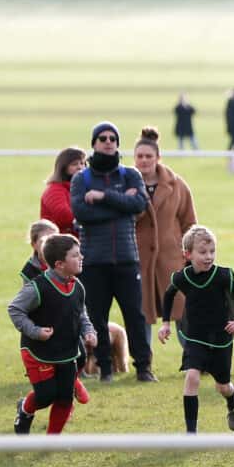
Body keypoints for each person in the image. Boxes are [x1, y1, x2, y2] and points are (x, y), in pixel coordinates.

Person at [70, 122, 156, 382]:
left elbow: (139, 204)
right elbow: (82, 213)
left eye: (113, 138)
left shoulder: (130, 175)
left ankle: (144, 367)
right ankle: (105, 368)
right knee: (97, 317)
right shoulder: (81, 179)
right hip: (94, 260)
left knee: (135, 316)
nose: (108, 142)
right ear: (94, 143)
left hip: (127, 259)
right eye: (102, 138)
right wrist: (121, 203)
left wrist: (103, 196)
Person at [157, 225, 234, 434]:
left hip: (221, 339)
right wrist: (165, 323)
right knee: (192, 377)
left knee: (222, 386)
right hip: (195, 337)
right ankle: (191, 433)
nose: (209, 257)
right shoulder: (182, 278)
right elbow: (169, 295)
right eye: (203, 252)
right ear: (187, 254)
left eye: (212, 252)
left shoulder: (223, 276)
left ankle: (233, 400)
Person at [10, 234, 96, 435]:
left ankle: (52, 440)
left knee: (65, 398)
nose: (81, 257)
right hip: (37, 351)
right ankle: (25, 409)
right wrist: (35, 331)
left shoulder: (78, 286)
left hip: (67, 352)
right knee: (46, 396)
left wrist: (89, 331)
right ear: (59, 264)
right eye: (75, 255)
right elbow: (15, 309)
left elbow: (81, 314)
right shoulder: (37, 288)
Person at [132, 127, 199, 351]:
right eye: (139, 156)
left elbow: (189, 222)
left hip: (172, 258)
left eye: (148, 156)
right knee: (141, 311)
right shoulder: (125, 185)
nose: (144, 161)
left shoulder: (177, 185)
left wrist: (190, 255)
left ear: (158, 157)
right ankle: (144, 363)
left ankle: (193, 357)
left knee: (182, 310)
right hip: (138, 256)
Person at [19, 220, 91, 408]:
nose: (49, 242)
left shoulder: (68, 266)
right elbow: (23, 305)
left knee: (81, 356)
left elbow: (78, 304)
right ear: (35, 244)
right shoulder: (32, 271)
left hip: (66, 325)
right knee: (49, 391)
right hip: (46, 327)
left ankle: (72, 382)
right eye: (44, 239)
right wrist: (35, 329)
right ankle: (65, 387)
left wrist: (87, 329)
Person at [40, 147, 86, 234]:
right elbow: (63, 215)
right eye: (74, 164)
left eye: (82, 163)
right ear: (63, 167)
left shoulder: (84, 188)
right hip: (60, 243)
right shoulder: (54, 190)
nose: (80, 167)